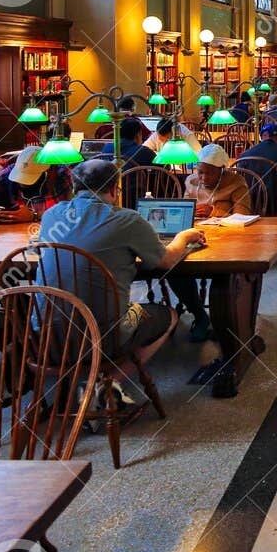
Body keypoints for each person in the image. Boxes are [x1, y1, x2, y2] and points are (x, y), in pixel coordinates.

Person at [37, 159, 209, 400]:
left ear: (75, 188)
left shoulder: (52, 215)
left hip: (46, 334)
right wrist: (184, 235)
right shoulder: (127, 220)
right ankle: (106, 382)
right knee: (169, 315)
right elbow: (166, 261)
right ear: (113, 190)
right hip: (103, 336)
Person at [0, 144, 73, 223]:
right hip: (14, 239)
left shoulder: (63, 176)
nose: (22, 183)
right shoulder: (7, 174)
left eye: (30, 177)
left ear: (46, 172)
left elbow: (77, 214)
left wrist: (34, 215)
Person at [185, 143, 253, 218]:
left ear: (222, 169)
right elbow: (184, 211)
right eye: (200, 172)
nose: (204, 178)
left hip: (226, 228)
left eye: (210, 173)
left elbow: (242, 217)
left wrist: (214, 212)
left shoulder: (236, 182)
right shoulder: (191, 181)